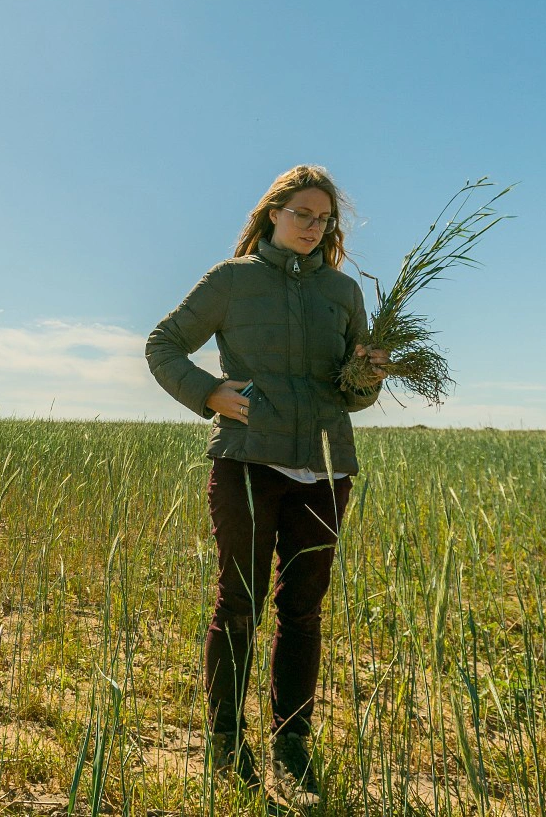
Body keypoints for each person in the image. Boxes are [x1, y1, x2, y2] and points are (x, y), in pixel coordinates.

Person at [145, 164, 388, 807]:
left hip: (327, 469)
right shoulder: (231, 281)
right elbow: (162, 345)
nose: (314, 226)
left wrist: (367, 376)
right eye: (302, 213)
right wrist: (208, 394)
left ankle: (292, 743)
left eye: (324, 219)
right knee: (240, 605)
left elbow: (354, 396)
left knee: (303, 611)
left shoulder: (342, 293)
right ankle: (227, 743)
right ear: (272, 212)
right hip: (247, 462)